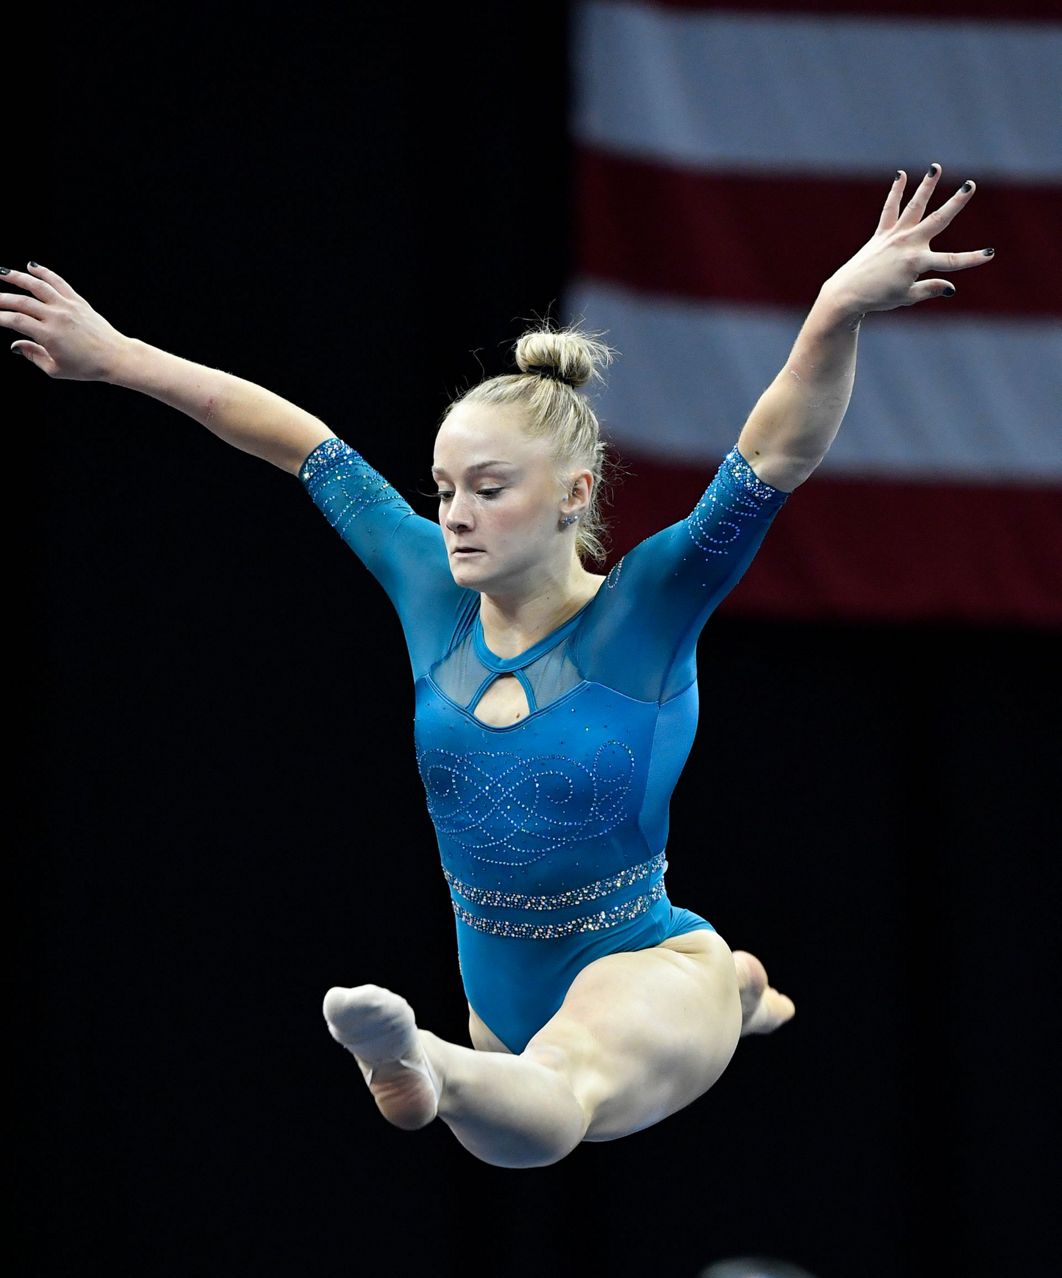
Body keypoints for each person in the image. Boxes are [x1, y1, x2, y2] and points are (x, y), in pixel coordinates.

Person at [7, 164, 991, 1169]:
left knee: (560, 1096)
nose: (456, 514)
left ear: (573, 493)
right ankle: (717, 998)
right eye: (443, 489)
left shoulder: (645, 609)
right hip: (500, 1001)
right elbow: (297, 440)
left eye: (487, 486)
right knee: (555, 1077)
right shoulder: (430, 587)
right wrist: (118, 356)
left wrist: (833, 310)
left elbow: (777, 448)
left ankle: (432, 1060)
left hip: (636, 963)